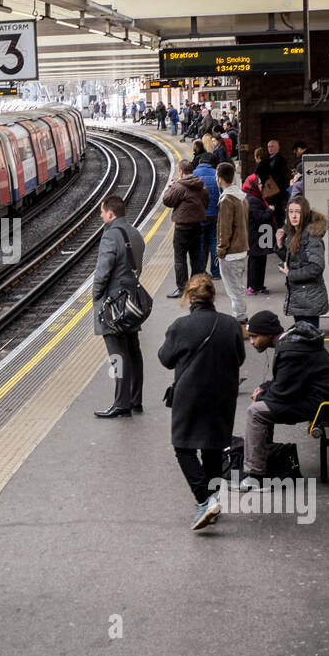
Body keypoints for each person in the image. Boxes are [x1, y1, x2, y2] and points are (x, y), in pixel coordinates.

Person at [158, 274, 246, 530]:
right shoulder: (230, 325)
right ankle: (212, 497)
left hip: (190, 396)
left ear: (188, 297)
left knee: (183, 447)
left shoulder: (180, 327)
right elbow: (239, 358)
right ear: (213, 296)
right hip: (222, 395)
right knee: (214, 447)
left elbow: (165, 359)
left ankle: (204, 499)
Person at [239, 311, 329, 489]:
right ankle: (264, 460)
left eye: (255, 336)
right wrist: (266, 387)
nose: (252, 342)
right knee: (261, 406)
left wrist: (261, 395)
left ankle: (255, 476)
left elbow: (283, 393)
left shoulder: (291, 350)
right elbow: (290, 380)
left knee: (256, 412)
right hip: (318, 396)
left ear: (269, 334)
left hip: (321, 404)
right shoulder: (292, 342)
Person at [92, 194, 146, 418]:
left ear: (111, 214)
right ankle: (135, 400)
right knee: (133, 350)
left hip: (113, 306)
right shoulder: (134, 232)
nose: (101, 215)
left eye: (103, 212)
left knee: (117, 354)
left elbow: (103, 271)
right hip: (132, 301)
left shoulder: (110, 236)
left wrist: (96, 295)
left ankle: (121, 403)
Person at [275, 195, 329, 326]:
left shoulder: (311, 237)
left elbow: (316, 267)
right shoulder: (295, 232)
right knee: (304, 340)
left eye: (298, 212)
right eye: (291, 212)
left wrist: (291, 274)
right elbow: (294, 260)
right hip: (300, 297)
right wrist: (280, 244)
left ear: (304, 213)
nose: (293, 216)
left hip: (309, 299)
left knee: (310, 341)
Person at [161, 160, 209, 299]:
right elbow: (206, 201)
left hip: (182, 228)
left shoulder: (179, 187)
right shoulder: (201, 185)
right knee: (196, 258)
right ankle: (197, 287)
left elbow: (167, 201)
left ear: (181, 171)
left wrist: (170, 187)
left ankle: (182, 288)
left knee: (180, 259)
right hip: (197, 226)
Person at [214, 162, 249, 324]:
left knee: (235, 291)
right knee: (239, 289)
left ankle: (240, 321)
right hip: (242, 249)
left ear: (219, 178)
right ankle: (240, 318)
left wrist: (221, 251)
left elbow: (224, 229)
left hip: (231, 254)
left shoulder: (227, 199)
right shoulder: (242, 196)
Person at [242, 173, 275, 295]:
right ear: (254, 185)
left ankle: (255, 286)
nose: (262, 185)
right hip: (257, 235)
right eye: (259, 183)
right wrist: (269, 210)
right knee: (257, 261)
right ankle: (254, 286)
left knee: (257, 260)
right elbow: (260, 218)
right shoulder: (253, 200)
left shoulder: (251, 197)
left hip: (256, 234)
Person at [194, 153, 221, 278]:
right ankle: (216, 272)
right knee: (214, 242)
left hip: (199, 216)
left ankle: (200, 271)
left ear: (200, 162)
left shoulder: (193, 174)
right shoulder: (217, 174)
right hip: (215, 215)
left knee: (200, 244)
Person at [266, 139, 292, 225]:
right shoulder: (271, 159)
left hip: (276, 192)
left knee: (278, 213)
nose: (270, 148)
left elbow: (283, 176)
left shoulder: (280, 160)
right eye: (269, 147)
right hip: (273, 191)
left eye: (272, 146)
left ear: (278, 148)